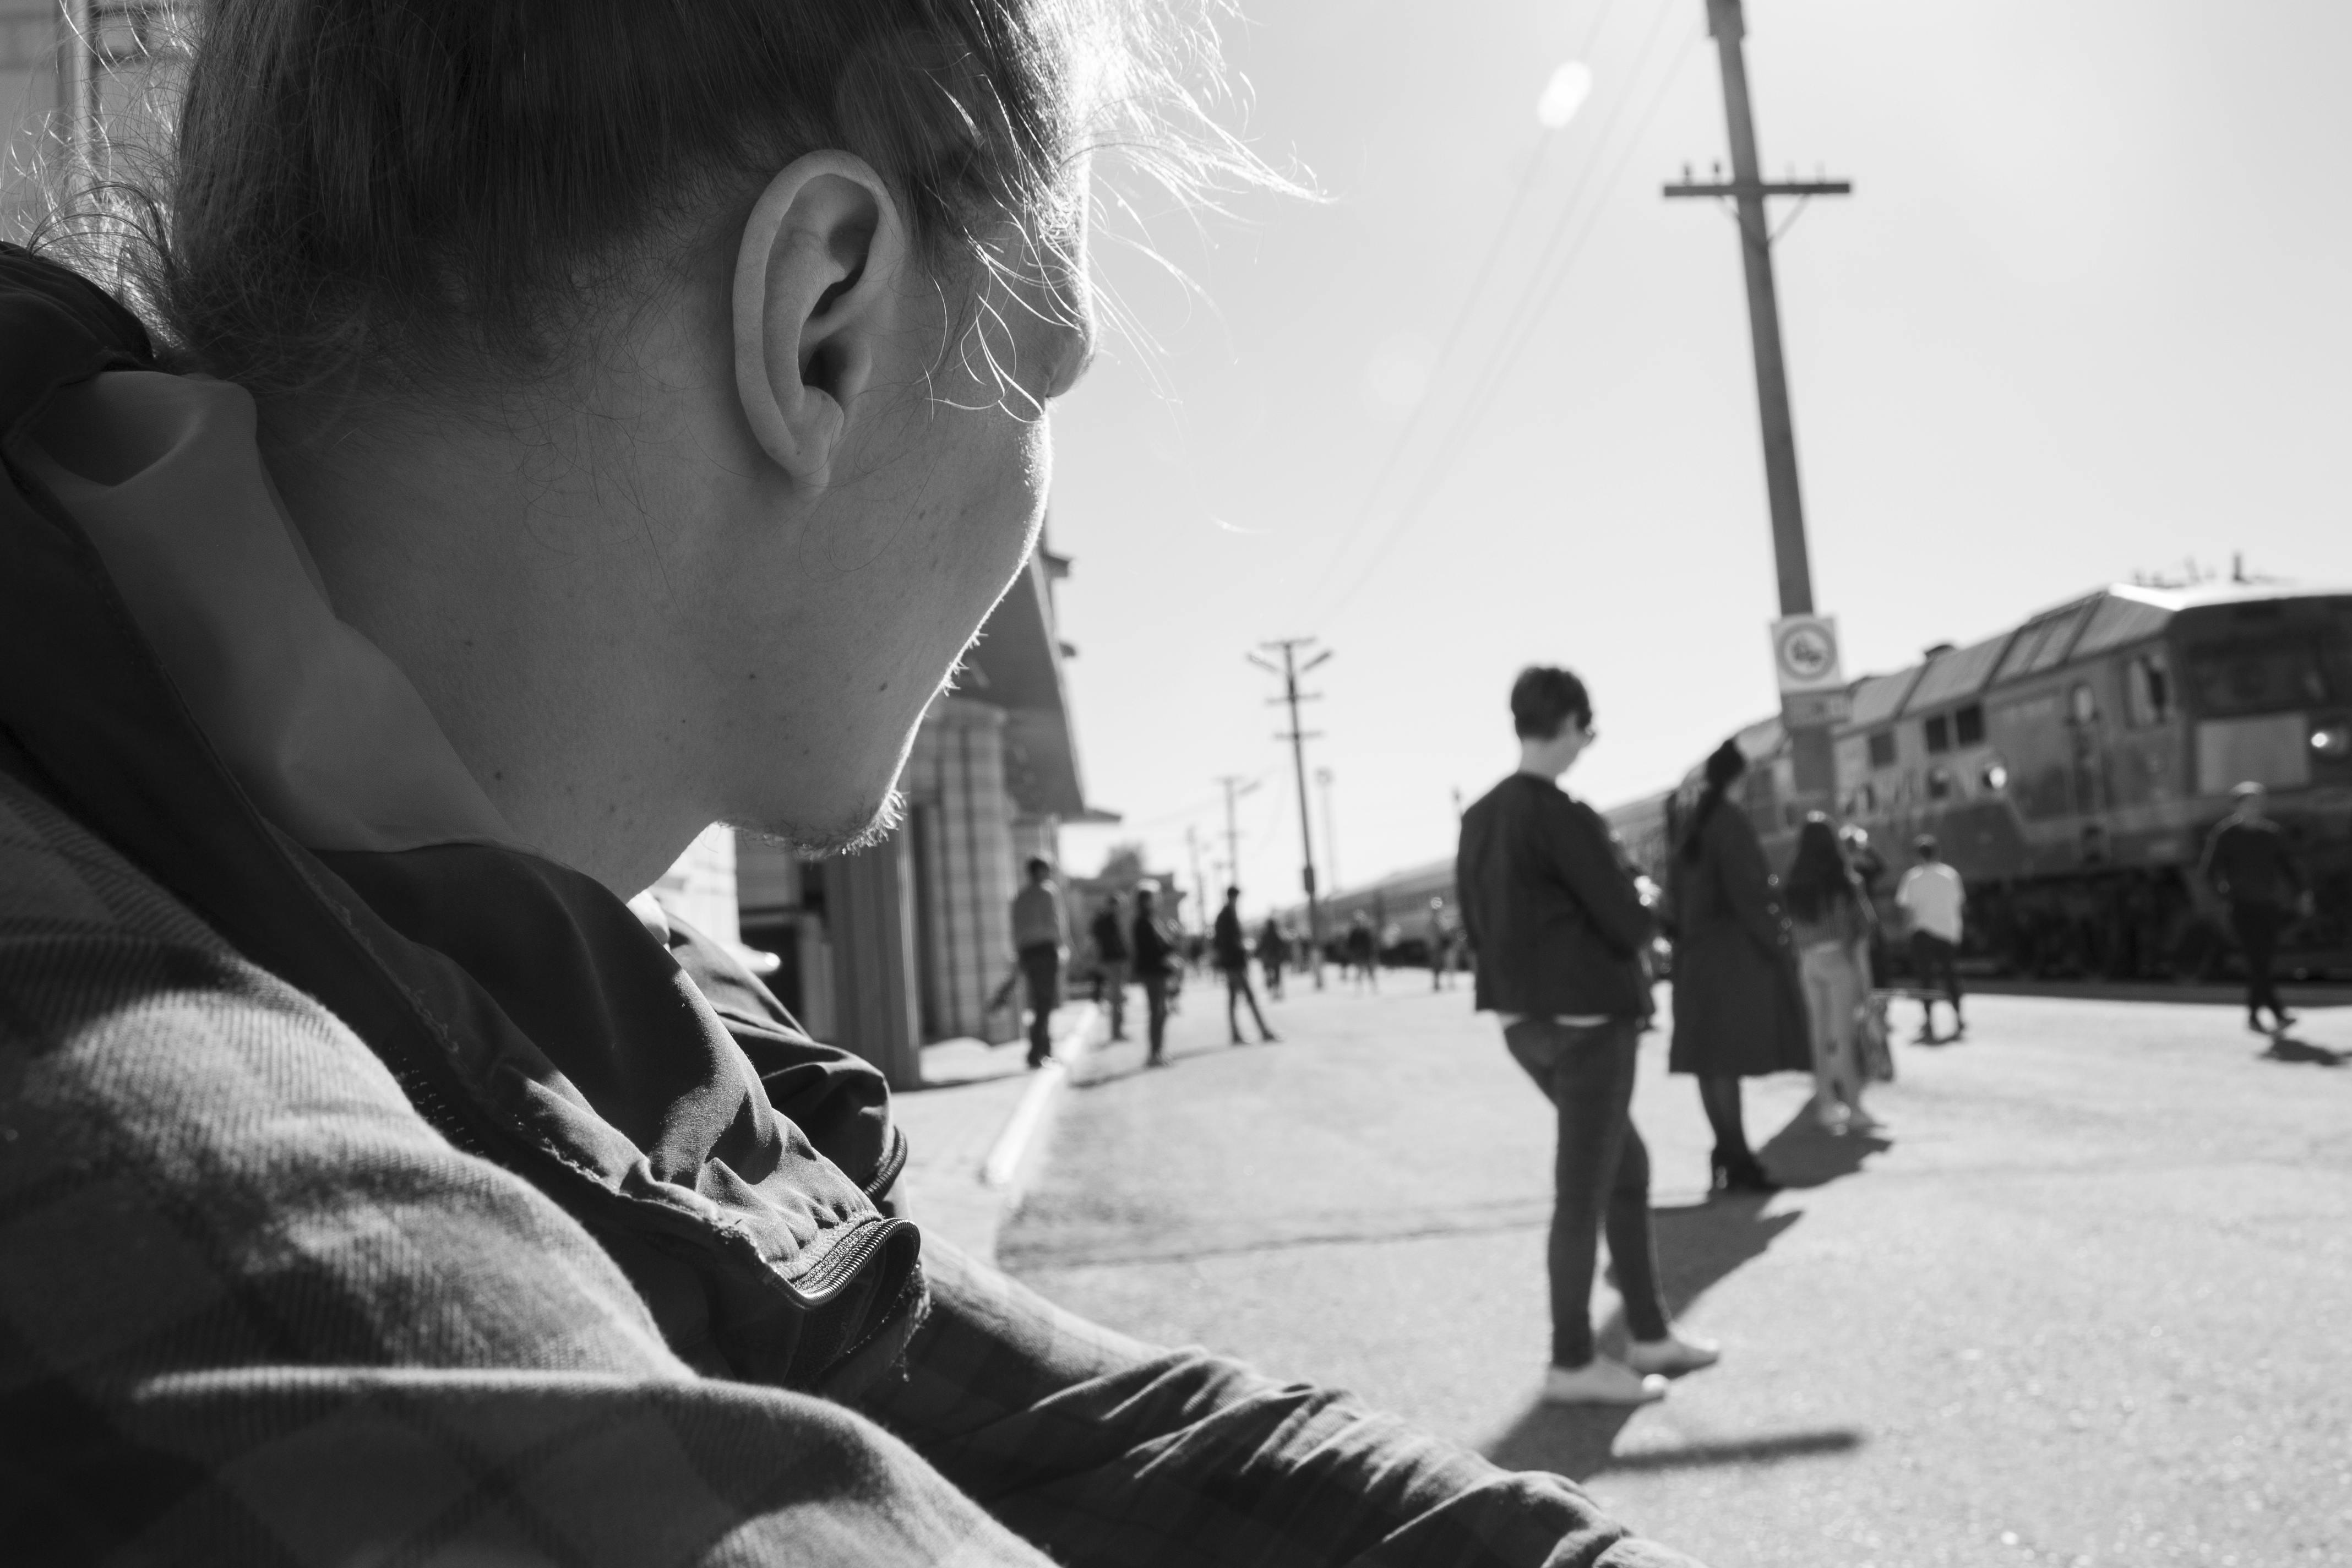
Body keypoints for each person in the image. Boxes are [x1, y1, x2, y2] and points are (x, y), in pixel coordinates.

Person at [0, 7, 1705, 1562]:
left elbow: (1039, 1407)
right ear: (820, 323)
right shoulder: (158, 1133)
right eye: (1043, 373)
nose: (1027, 491)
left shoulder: (550, 961)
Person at [1458, 667, 1719, 1407]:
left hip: (1523, 1028)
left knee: (1625, 1169)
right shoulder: (1565, 814)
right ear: (1568, 723)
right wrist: (1641, 892)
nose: (1586, 745)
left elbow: (1476, 928)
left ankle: (1648, 1332)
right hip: (1588, 1027)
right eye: (1587, 730)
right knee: (1582, 1192)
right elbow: (1630, 922)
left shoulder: (1478, 818)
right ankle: (1572, 1360)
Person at [1668, 739, 1810, 1194]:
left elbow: (1674, 899)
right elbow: (1750, 894)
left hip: (1695, 961)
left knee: (1711, 1065)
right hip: (1728, 959)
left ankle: (1728, 1153)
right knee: (1726, 1061)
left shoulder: (1693, 824)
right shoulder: (1730, 823)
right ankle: (1738, 1160)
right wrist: (1780, 944)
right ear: (1740, 779)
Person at [1784, 815, 1884, 1136]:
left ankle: (1826, 1104)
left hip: (1808, 963)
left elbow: (1789, 932)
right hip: (1838, 961)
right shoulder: (1846, 882)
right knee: (1844, 1037)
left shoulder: (1794, 886)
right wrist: (1867, 988)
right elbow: (1862, 937)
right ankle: (1853, 1107)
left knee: (1820, 1035)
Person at [2199, 781, 2311, 1034]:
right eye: (2249, 803)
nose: (2255, 808)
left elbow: (2288, 868)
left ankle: (2255, 1016)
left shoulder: (2271, 834)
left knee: (2262, 961)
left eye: (2259, 803)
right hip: (2242, 907)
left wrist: (2303, 893)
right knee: (2257, 960)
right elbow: (2209, 871)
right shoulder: (2226, 835)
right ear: (2237, 807)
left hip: (2268, 905)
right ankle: (2277, 1014)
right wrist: (2225, 895)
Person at [1896, 834, 1968, 1042]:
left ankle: (1928, 1020)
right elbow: (1959, 903)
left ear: (1918, 856)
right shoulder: (1950, 875)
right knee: (1950, 976)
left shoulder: (1912, 877)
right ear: (1937, 853)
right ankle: (1958, 1017)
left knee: (1926, 979)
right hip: (1947, 933)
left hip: (1922, 933)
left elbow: (1906, 908)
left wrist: (1906, 929)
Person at [1010, 857, 1069, 1067]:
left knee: (1039, 1002)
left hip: (1028, 953)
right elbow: (1057, 922)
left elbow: (1016, 928)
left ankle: (1043, 1050)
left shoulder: (1021, 896)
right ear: (1040, 871)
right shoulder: (1049, 891)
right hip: (1046, 951)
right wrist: (1063, 947)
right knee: (1045, 1003)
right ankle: (1037, 1052)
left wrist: (1019, 954)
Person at [1212, 886, 1280, 1045]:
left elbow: (1219, 943)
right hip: (1235, 964)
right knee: (1250, 998)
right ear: (1233, 898)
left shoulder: (1224, 916)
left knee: (1234, 1000)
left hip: (1231, 964)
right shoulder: (1227, 916)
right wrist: (1244, 947)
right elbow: (1230, 942)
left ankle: (1236, 1034)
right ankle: (1264, 1031)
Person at [1131, 883, 1181, 1067]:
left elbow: (1162, 947)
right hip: (1153, 974)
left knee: (1161, 1012)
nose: (1159, 900)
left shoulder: (1151, 920)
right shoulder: (1143, 923)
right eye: (1155, 897)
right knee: (1157, 1013)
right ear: (1146, 901)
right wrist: (1173, 939)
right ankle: (1154, 1054)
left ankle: (1158, 1051)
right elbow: (1155, 950)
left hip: (1158, 973)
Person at [1089, 889, 1130, 1041]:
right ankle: (1116, 1032)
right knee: (1117, 997)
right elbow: (1097, 944)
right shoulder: (1103, 921)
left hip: (1118, 961)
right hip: (1111, 961)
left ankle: (1119, 1030)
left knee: (1120, 997)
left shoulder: (1114, 919)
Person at [1256, 913, 1289, 1000]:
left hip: (1268, 959)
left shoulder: (1264, 935)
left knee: (1269, 974)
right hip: (1276, 958)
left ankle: (1271, 989)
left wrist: (1258, 954)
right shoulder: (1276, 934)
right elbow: (1282, 946)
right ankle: (1277, 992)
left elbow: (1261, 947)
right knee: (1277, 975)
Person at [1346, 910, 1379, 990]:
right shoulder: (1355, 932)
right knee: (1360, 971)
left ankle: (1373, 987)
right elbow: (1351, 944)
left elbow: (1371, 943)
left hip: (1368, 954)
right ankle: (1359, 987)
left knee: (1370, 972)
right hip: (1359, 955)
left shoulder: (1366, 930)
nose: (1359, 923)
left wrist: (1373, 953)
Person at [1429, 895, 1456, 990]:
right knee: (1440, 965)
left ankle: (1438, 984)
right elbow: (1443, 931)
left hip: (1439, 945)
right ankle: (1438, 984)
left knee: (1441, 965)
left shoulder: (1436, 919)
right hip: (1438, 945)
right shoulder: (1437, 920)